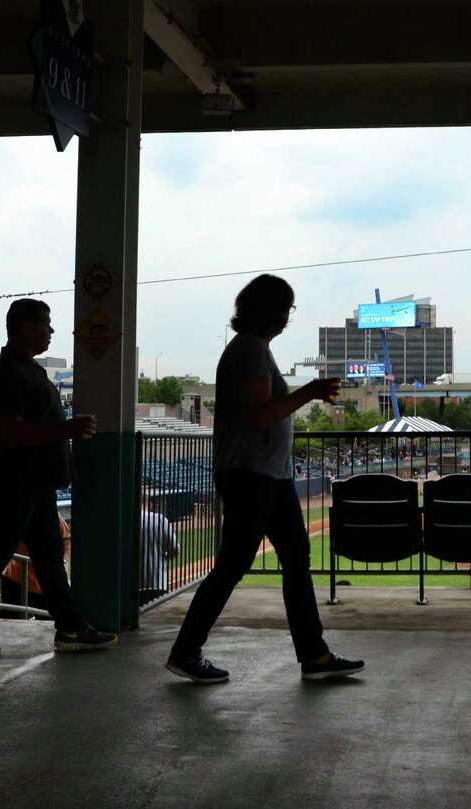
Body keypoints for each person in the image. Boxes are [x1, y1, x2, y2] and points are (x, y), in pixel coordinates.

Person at [166, 274, 364, 684]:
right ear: (266, 309)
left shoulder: (255, 350)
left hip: (268, 477)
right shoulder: (250, 351)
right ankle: (186, 651)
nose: (286, 318)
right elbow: (259, 415)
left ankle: (315, 655)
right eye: (284, 308)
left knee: (294, 559)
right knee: (234, 566)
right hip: (251, 476)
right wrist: (308, 392)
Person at [0, 298, 116, 657]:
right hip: (14, 486)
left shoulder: (28, 370)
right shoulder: (8, 373)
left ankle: (70, 627)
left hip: (33, 486)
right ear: (24, 327)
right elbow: (10, 433)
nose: (52, 331)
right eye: (45, 323)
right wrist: (65, 428)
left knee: (49, 559)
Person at [0, 512, 71, 617]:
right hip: (15, 579)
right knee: (12, 619)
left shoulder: (54, 516)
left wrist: (61, 559)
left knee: (47, 622)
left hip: (45, 583)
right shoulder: (15, 514)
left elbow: (67, 541)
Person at [139, 492, 179, 600]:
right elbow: (175, 549)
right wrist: (165, 557)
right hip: (156, 582)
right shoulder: (159, 519)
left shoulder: (123, 520)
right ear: (149, 504)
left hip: (128, 587)